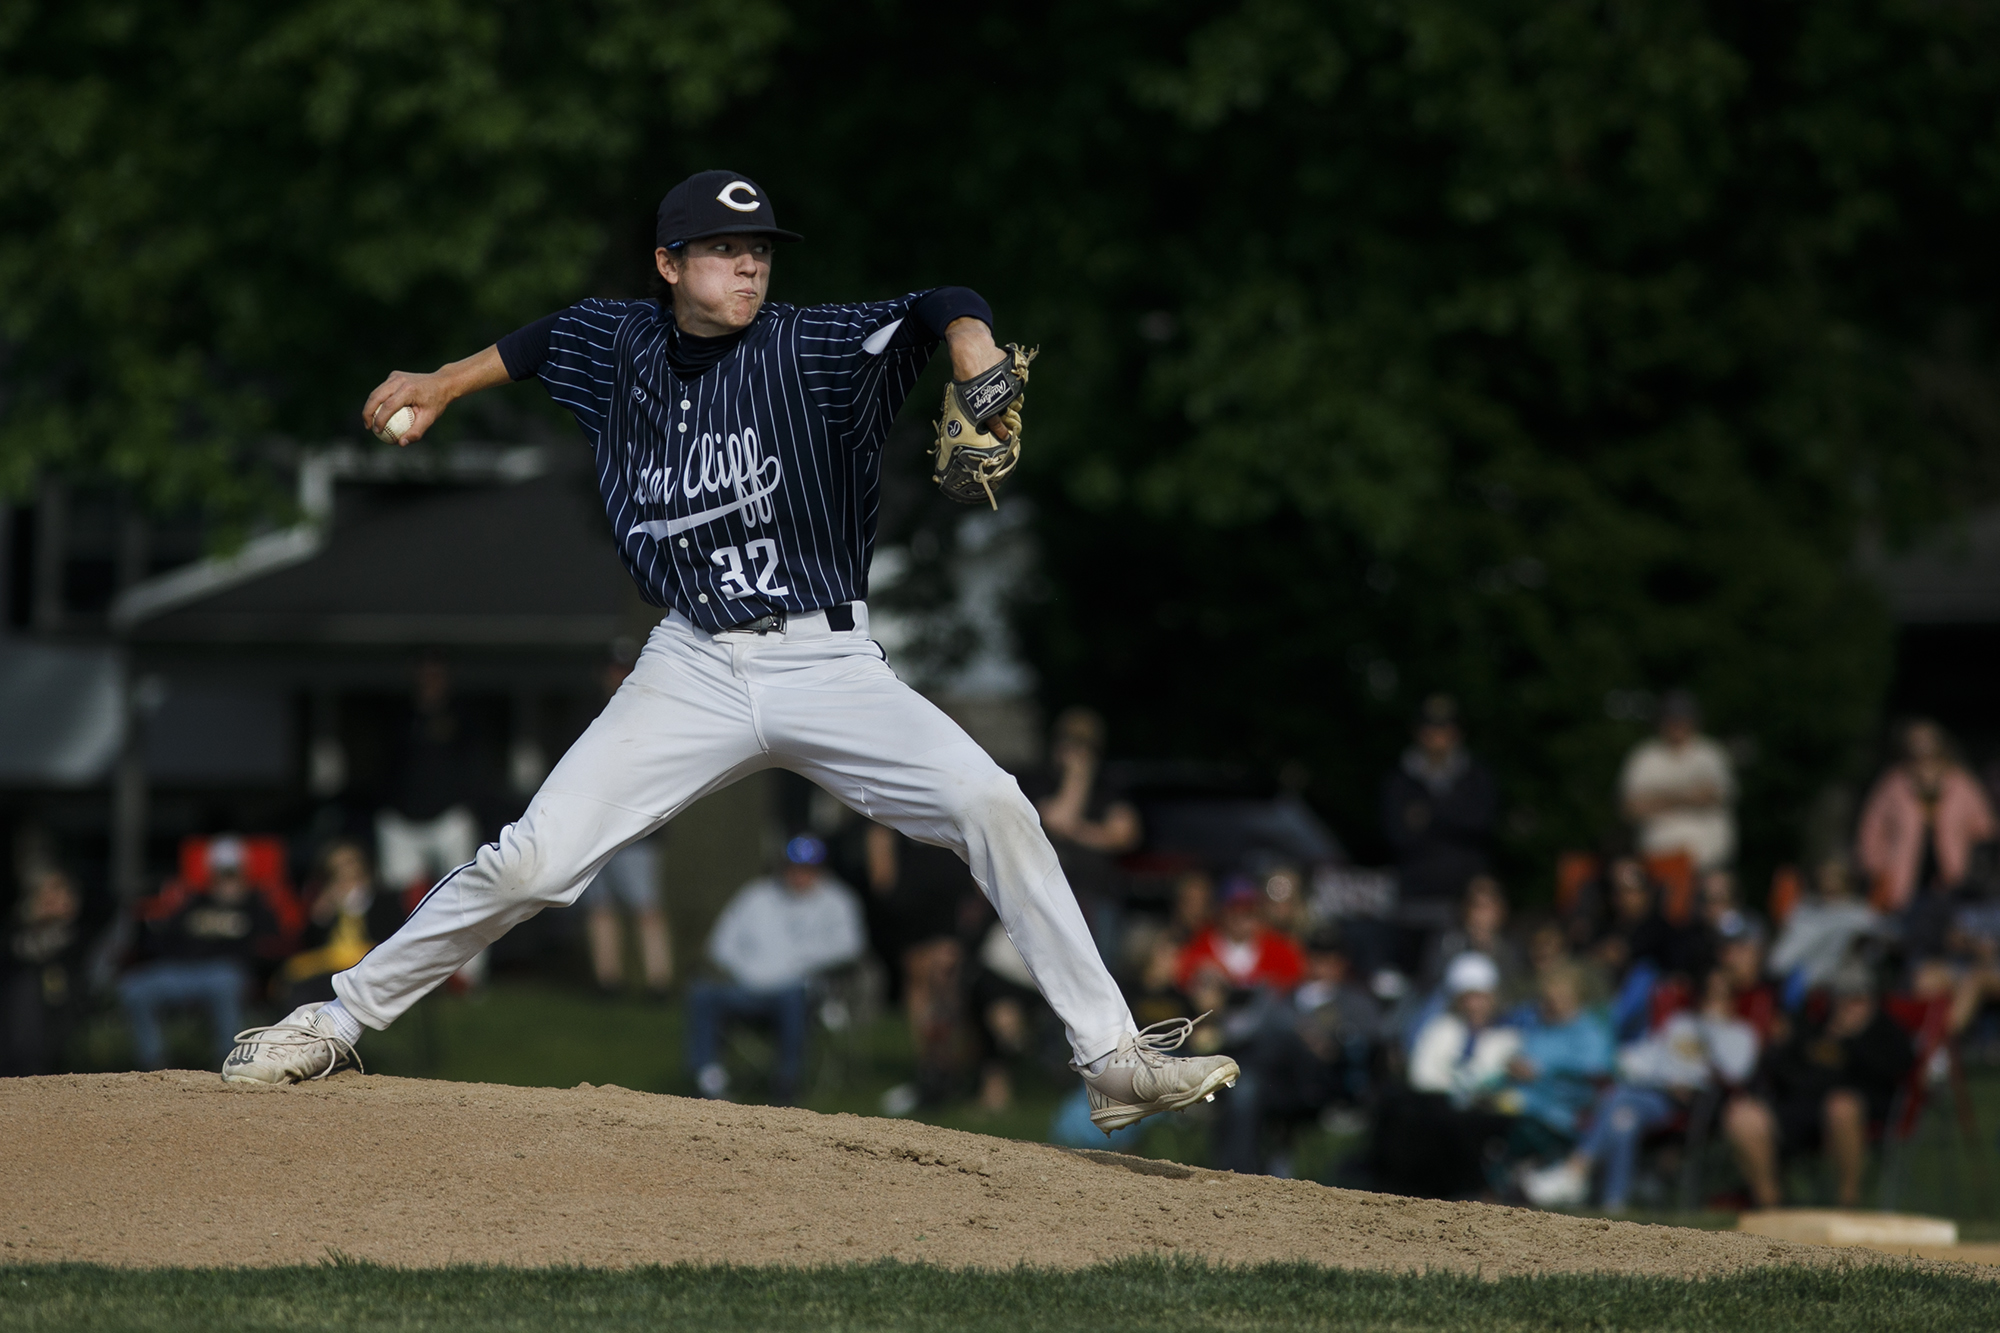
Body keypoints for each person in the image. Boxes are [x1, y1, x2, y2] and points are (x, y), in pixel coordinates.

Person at [225, 169, 1239, 1129]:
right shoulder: (614, 342)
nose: (747, 267)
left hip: (826, 663)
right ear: (667, 264)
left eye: (757, 249)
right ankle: (334, 1022)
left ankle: (1110, 1059)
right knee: (531, 863)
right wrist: (444, 381)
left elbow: (941, 297)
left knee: (993, 804)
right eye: (719, 249)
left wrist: (972, 344)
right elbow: (540, 343)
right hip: (690, 665)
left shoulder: (818, 346)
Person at [1520, 967, 1758, 1211]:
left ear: (1732, 1000)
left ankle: (1576, 1170)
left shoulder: (1741, 1034)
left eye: (1720, 996)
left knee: (1618, 1100)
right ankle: (1614, 1204)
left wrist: (1711, 1033)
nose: (1712, 1003)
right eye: (1708, 995)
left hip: (1692, 1103)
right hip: (1654, 1092)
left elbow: (1735, 1074)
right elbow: (1649, 1057)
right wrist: (1617, 1060)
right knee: (1624, 1120)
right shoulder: (1681, 1023)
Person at [686, 835, 864, 1103]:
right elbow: (721, 943)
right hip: (747, 987)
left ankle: (786, 1082)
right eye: (794, 867)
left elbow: (849, 947)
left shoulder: (837, 902)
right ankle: (708, 1079)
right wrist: (744, 969)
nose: (800, 875)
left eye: (808, 869)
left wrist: (803, 960)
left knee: (794, 997)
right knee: (702, 993)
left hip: (798, 989)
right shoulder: (756, 896)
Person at [1723, 962, 1914, 1208]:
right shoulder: (1813, 1027)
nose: (1849, 1006)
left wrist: (1851, 1041)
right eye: (1843, 997)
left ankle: (1848, 1203)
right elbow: (1780, 1067)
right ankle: (1770, 1206)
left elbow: (1897, 1072)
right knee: (1741, 1116)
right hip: (1799, 1109)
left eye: (1858, 998)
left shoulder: (1886, 1033)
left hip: (1858, 1117)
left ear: (1873, 999)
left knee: (1841, 1106)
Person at [122, 836, 284, 1070]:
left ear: (243, 873)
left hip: (226, 971)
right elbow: (164, 938)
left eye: (233, 873)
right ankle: (153, 1063)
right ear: (212, 874)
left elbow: (273, 946)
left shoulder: (256, 906)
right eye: (222, 873)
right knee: (135, 988)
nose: (227, 880)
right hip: (181, 970)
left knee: (225, 983)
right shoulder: (194, 902)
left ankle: (228, 1061)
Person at [376, 657, 489, 989]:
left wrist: (469, 804)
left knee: (466, 897)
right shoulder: (399, 717)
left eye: (436, 674)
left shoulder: (463, 717)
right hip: (400, 821)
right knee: (400, 904)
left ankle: (467, 979)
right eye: (423, 674)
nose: (429, 681)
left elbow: (476, 768)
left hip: (450, 819)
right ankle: (400, 979)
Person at [576, 651, 673, 995]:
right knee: (599, 907)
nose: (616, 675)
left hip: (637, 826)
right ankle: (608, 980)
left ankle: (658, 982)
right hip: (594, 823)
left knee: (646, 906)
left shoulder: (653, 711)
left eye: (622, 668)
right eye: (612, 668)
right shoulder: (589, 715)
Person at [1027, 707, 1143, 963]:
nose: (1074, 751)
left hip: (1100, 896)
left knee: (1101, 968)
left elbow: (1124, 836)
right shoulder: (1040, 782)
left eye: (1083, 744)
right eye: (1069, 741)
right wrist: (1075, 781)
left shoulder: (1109, 787)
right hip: (1052, 896)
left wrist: (1075, 828)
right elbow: (1057, 820)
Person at [1856, 718, 1996, 915]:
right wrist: (1876, 870)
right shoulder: (1893, 783)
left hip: (1953, 879)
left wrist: (1975, 867)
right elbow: (1871, 830)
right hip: (1901, 882)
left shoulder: (1960, 782)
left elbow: (1985, 829)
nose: (1923, 749)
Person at [1380, 695, 1498, 916]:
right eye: (1430, 730)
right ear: (1418, 733)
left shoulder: (1476, 776)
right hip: (1414, 897)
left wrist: (1430, 815)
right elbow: (1396, 835)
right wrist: (1455, 816)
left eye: (1444, 730)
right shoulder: (1400, 780)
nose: (1437, 737)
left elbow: (1481, 824)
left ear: (1457, 733)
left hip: (1465, 900)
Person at [1619, 691, 1736, 873]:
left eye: (1682, 718)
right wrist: (1688, 795)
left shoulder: (1710, 753)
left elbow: (1712, 796)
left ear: (1694, 721)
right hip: (1658, 862)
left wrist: (1658, 798)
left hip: (1708, 862)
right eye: (1671, 719)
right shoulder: (1645, 755)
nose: (1676, 725)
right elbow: (1631, 807)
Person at [279, 840, 407, 1006]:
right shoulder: (325, 901)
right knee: (299, 984)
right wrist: (322, 917)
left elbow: (393, 935)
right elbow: (310, 944)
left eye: (349, 863)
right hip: (331, 966)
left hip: (370, 963)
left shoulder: (384, 899)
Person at [3, 865, 82, 1076]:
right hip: (20, 1016)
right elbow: (15, 954)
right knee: (25, 987)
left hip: (61, 1013)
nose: (51, 899)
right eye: (46, 893)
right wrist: (36, 923)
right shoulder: (17, 931)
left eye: (57, 892)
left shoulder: (77, 933)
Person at [1768, 855, 1884, 999]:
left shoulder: (1858, 913)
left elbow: (1880, 939)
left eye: (1834, 875)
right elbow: (1785, 950)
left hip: (1837, 984)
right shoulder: (1804, 908)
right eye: (1825, 875)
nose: (1828, 880)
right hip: (1794, 979)